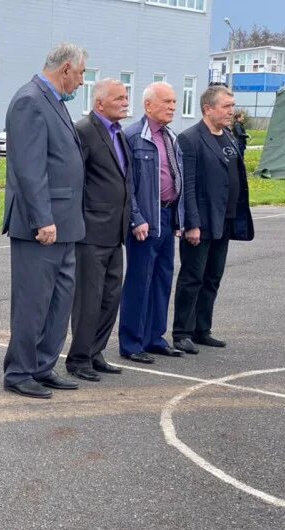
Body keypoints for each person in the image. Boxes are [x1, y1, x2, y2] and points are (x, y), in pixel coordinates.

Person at [2, 43, 87, 398]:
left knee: (59, 301)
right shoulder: (30, 101)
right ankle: (20, 371)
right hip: (42, 225)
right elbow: (29, 168)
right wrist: (42, 219)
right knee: (33, 301)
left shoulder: (55, 101)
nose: (82, 82)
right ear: (66, 69)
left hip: (65, 223)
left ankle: (42, 366)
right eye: (82, 74)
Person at [172, 85, 254, 353]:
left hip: (225, 220)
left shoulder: (228, 137)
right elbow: (189, 186)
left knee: (213, 277)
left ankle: (201, 328)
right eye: (226, 106)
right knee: (192, 278)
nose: (232, 111)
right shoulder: (190, 138)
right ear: (208, 109)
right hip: (202, 222)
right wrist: (191, 224)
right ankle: (182, 331)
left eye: (232, 105)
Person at [65, 79, 134, 381]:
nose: (125, 102)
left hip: (115, 232)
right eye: (119, 98)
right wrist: (80, 222)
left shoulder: (119, 133)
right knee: (88, 300)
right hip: (91, 232)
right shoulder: (85, 131)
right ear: (100, 103)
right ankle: (78, 359)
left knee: (110, 297)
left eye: (126, 97)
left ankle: (95, 352)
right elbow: (75, 181)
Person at [119, 82, 185, 364]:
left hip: (168, 216)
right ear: (148, 105)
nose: (173, 107)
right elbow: (127, 184)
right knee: (139, 280)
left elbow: (178, 175)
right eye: (167, 101)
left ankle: (155, 338)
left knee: (162, 279)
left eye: (174, 102)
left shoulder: (171, 135)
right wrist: (137, 218)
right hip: (146, 218)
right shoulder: (134, 136)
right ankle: (132, 343)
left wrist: (181, 218)